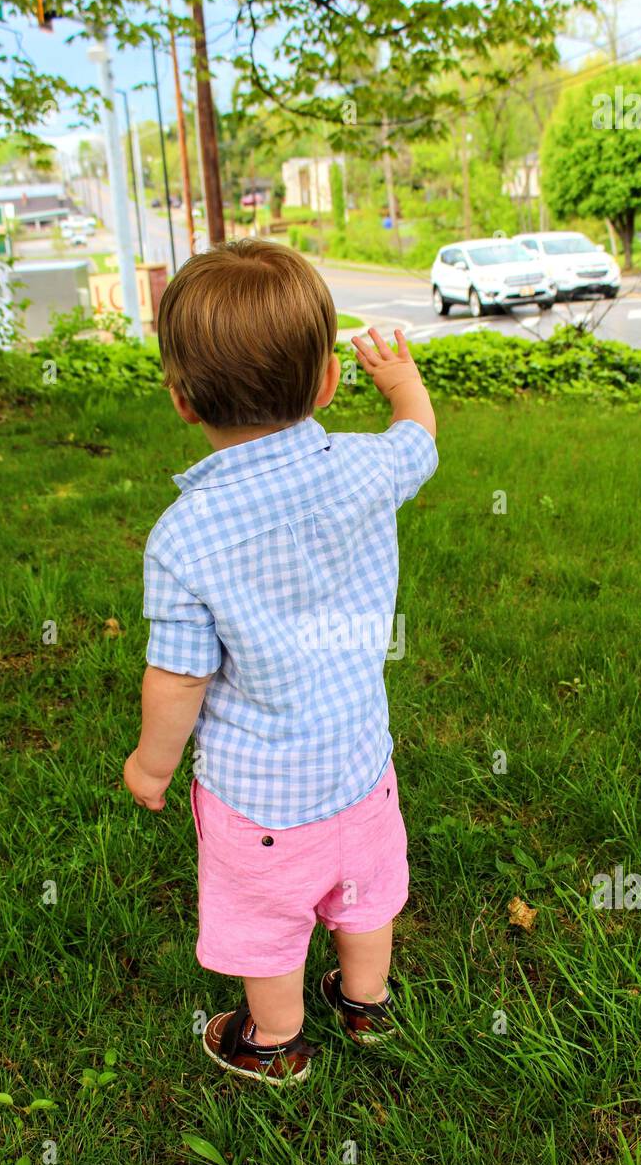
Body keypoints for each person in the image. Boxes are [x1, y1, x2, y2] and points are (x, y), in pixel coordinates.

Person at [124, 239, 437, 1085]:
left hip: (259, 794)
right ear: (329, 383)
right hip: (362, 760)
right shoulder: (369, 468)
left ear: (184, 402)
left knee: (267, 917)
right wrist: (402, 382)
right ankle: (365, 1002)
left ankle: (275, 1039)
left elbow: (181, 677)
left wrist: (152, 765)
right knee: (364, 891)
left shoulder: (185, 536)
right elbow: (420, 441)